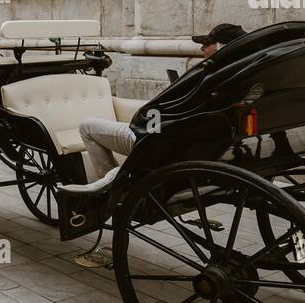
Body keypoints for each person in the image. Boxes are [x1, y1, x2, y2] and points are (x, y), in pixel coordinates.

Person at [70, 23, 244, 269]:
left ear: (220, 47)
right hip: (203, 145)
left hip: (160, 142)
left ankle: (113, 194)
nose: (203, 48)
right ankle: (116, 179)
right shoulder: (242, 75)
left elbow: (171, 111)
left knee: (87, 126)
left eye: (207, 44)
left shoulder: (209, 75)